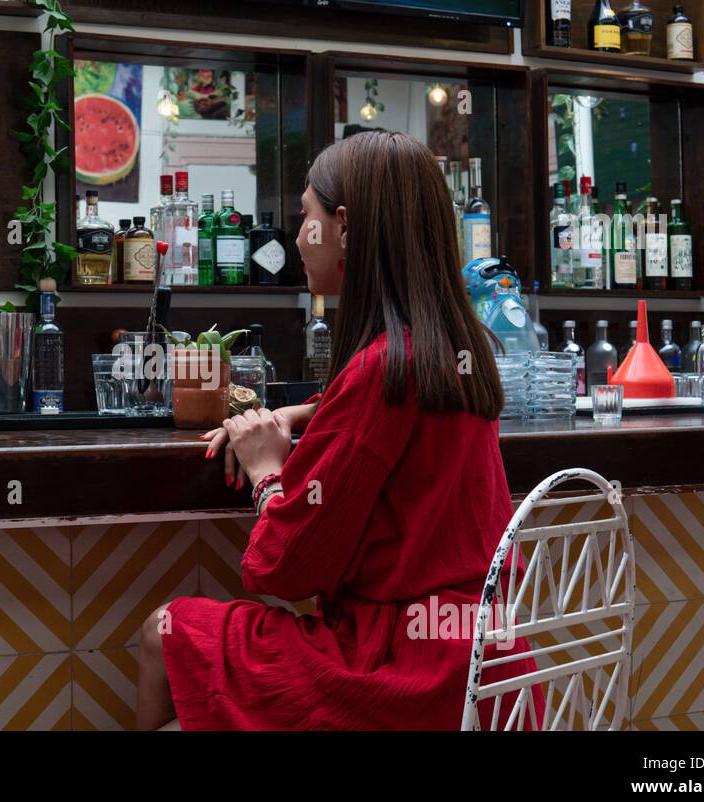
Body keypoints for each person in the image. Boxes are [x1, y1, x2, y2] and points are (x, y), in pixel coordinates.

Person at [135, 131, 544, 730]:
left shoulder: (378, 370)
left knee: (163, 631)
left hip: (397, 677)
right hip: (492, 670)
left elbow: (287, 571)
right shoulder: (459, 349)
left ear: (344, 227)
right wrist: (314, 412)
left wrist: (266, 470)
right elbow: (391, 420)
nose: (299, 236)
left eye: (306, 216)